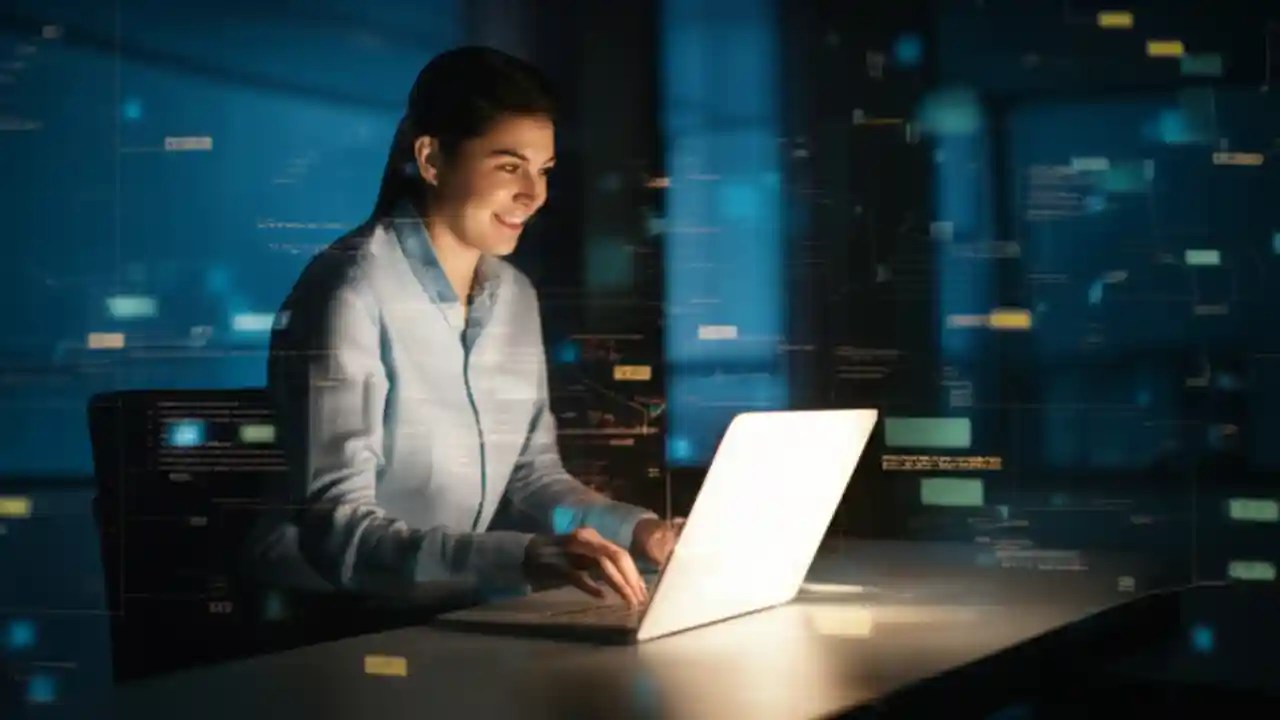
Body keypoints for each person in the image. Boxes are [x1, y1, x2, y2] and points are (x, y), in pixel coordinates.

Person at [243, 46, 678, 613]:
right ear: (431, 159)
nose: (534, 194)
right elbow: (338, 529)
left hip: (453, 611)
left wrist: (642, 533)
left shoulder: (515, 297)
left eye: (543, 170)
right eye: (508, 166)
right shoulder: (348, 290)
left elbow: (532, 479)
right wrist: (522, 557)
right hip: (326, 625)